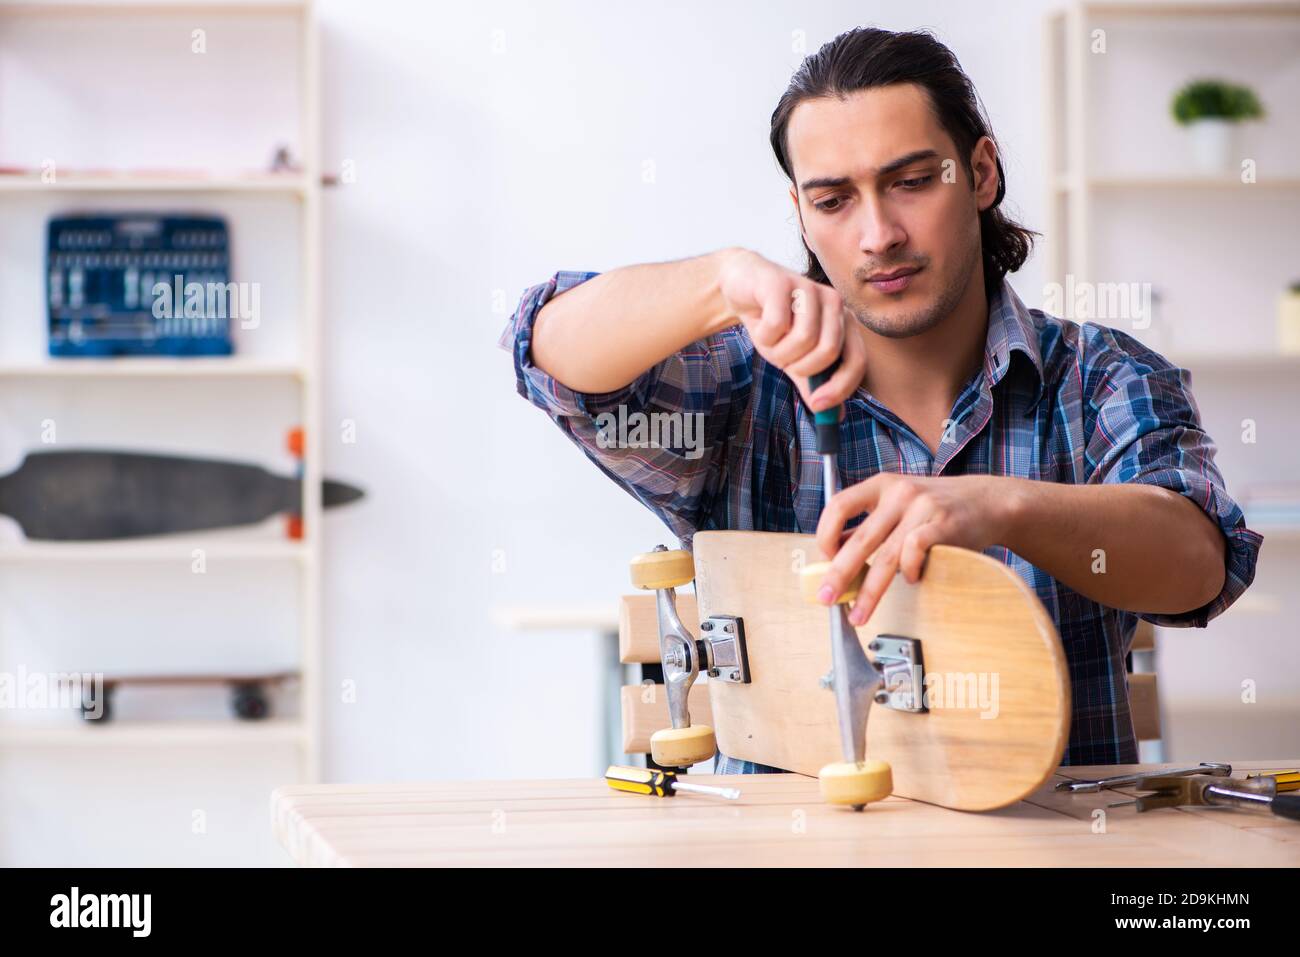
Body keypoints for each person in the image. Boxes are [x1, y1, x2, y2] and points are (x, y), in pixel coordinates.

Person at [498, 27, 1261, 769]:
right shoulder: (742, 389)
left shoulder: (1100, 376)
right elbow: (545, 351)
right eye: (833, 201)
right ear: (799, 211)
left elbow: (1200, 562)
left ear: (982, 173)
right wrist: (719, 281)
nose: (878, 235)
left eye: (912, 181)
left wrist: (998, 506)